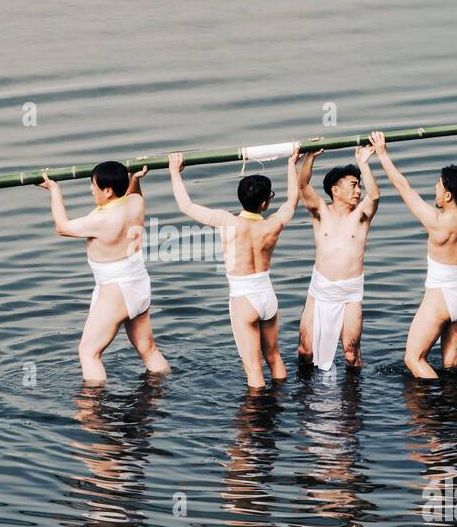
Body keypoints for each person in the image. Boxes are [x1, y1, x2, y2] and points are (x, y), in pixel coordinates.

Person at [369, 122, 457, 378]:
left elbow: (402, 186)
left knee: (413, 359)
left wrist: (382, 154)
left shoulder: (437, 221)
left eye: (438, 186)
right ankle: (451, 409)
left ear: (449, 196)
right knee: (451, 365)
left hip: (441, 298)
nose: (435, 189)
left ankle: (432, 416)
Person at [169, 149, 301, 388]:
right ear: (265, 203)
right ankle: (282, 402)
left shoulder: (226, 221)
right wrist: (292, 164)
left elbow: (186, 206)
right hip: (267, 296)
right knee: (274, 357)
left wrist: (174, 172)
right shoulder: (274, 224)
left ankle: (257, 421)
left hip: (244, 299)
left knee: (253, 368)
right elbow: (292, 200)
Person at [37, 161, 170, 385]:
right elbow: (132, 194)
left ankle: (91, 414)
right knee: (148, 349)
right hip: (138, 284)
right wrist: (135, 179)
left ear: (108, 191)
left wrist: (54, 190)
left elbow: (62, 226)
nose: (91, 189)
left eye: (94, 185)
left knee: (88, 352)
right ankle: (165, 388)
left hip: (116, 290)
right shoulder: (136, 203)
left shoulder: (101, 220)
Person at [296, 143, 380, 371]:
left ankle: (352, 404)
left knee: (351, 353)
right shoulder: (320, 212)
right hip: (320, 288)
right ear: (335, 190)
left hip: (350, 291)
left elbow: (374, 195)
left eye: (358, 186)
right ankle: (307, 400)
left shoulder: (361, 216)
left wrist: (364, 164)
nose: (358, 191)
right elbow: (302, 184)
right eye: (353, 185)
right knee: (305, 350)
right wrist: (310, 156)